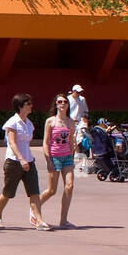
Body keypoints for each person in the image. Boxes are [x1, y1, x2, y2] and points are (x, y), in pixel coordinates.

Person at [0, 94, 50, 230]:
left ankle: (39, 220)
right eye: (28, 104)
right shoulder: (12, 122)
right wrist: (21, 159)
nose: (31, 105)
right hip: (14, 161)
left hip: (29, 161)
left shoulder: (29, 124)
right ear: (20, 106)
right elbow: (12, 143)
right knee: (8, 192)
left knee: (34, 192)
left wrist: (27, 160)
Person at [38, 94, 78, 229]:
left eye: (65, 102)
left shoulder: (71, 122)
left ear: (68, 105)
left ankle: (63, 220)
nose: (62, 104)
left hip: (67, 157)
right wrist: (48, 160)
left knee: (69, 186)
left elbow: (71, 141)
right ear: (56, 104)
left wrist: (72, 157)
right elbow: (45, 142)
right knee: (51, 190)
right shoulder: (51, 121)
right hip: (54, 157)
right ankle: (34, 208)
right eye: (59, 102)